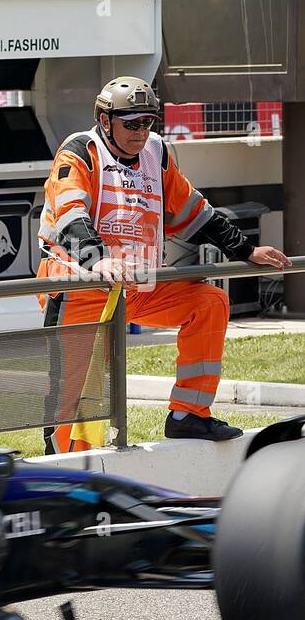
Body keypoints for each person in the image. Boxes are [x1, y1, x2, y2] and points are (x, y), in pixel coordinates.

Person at [37, 75, 290, 452]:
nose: (141, 131)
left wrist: (246, 250)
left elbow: (194, 211)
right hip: (80, 287)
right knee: (73, 391)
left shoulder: (157, 153)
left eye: (147, 122)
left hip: (139, 286)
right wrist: (99, 258)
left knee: (209, 302)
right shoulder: (79, 151)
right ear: (105, 121)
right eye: (131, 123)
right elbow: (68, 212)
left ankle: (188, 415)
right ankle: (64, 470)